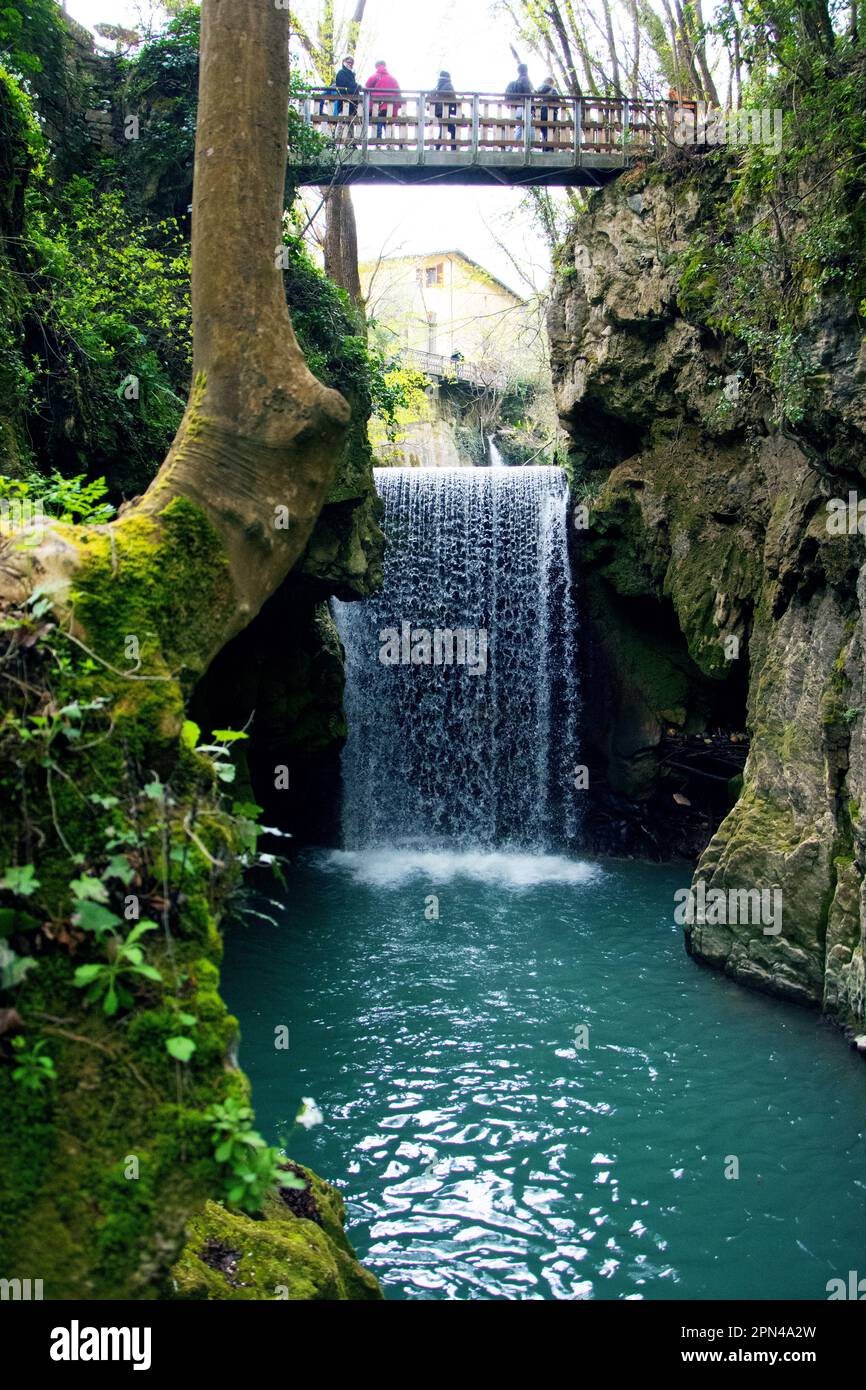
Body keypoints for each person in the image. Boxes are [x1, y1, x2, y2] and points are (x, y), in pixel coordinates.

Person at [365, 60, 402, 143]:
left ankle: (378, 142)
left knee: (378, 121)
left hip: (377, 105)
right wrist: (398, 105)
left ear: (377, 67)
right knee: (388, 123)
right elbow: (398, 93)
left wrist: (368, 106)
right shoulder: (393, 79)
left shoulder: (374, 77)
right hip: (390, 106)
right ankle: (389, 143)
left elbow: (366, 88)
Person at [505, 62, 533, 145]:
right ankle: (530, 147)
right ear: (527, 70)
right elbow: (527, 93)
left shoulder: (516, 81)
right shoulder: (525, 79)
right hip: (523, 107)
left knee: (519, 128)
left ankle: (511, 147)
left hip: (516, 108)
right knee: (530, 127)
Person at [434, 70, 458, 151]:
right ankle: (453, 148)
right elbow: (453, 98)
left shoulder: (438, 86)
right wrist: (456, 110)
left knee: (443, 130)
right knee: (452, 130)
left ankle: (437, 148)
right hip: (445, 110)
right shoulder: (448, 85)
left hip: (437, 112)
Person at [536, 75, 559, 150]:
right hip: (551, 114)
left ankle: (545, 149)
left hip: (541, 114)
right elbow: (557, 103)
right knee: (549, 132)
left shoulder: (539, 91)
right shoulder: (553, 90)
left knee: (544, 133)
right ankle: (548, 149)